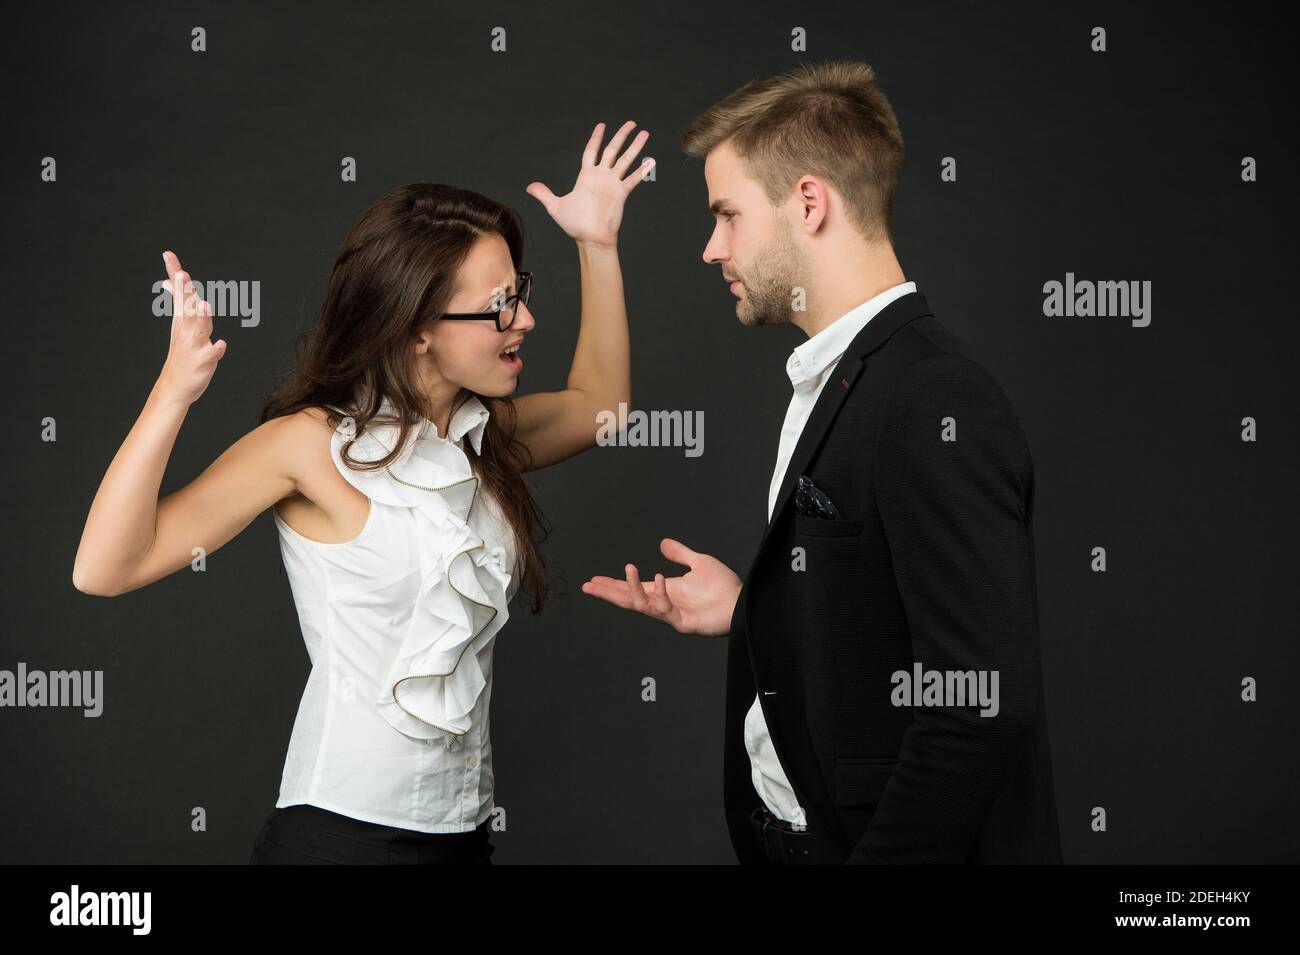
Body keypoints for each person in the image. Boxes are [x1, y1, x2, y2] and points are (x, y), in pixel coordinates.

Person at [72, 121, 655, 864]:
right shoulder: (308, 445)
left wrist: (597, 244)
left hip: (464, 836)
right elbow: (104, 568)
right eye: (499, 305)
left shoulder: (483, 439)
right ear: (416, 327)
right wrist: (170, 396)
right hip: (337, 839)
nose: (526, 320)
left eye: (522, 292)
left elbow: (603, 405)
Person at [581, 62, 1063, 864]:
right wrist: (755, 610)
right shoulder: (836, 373)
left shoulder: (932, 396)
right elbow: (886, 621)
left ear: (809, 203)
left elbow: (980, 704)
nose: (711, 248)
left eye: (728, 215)